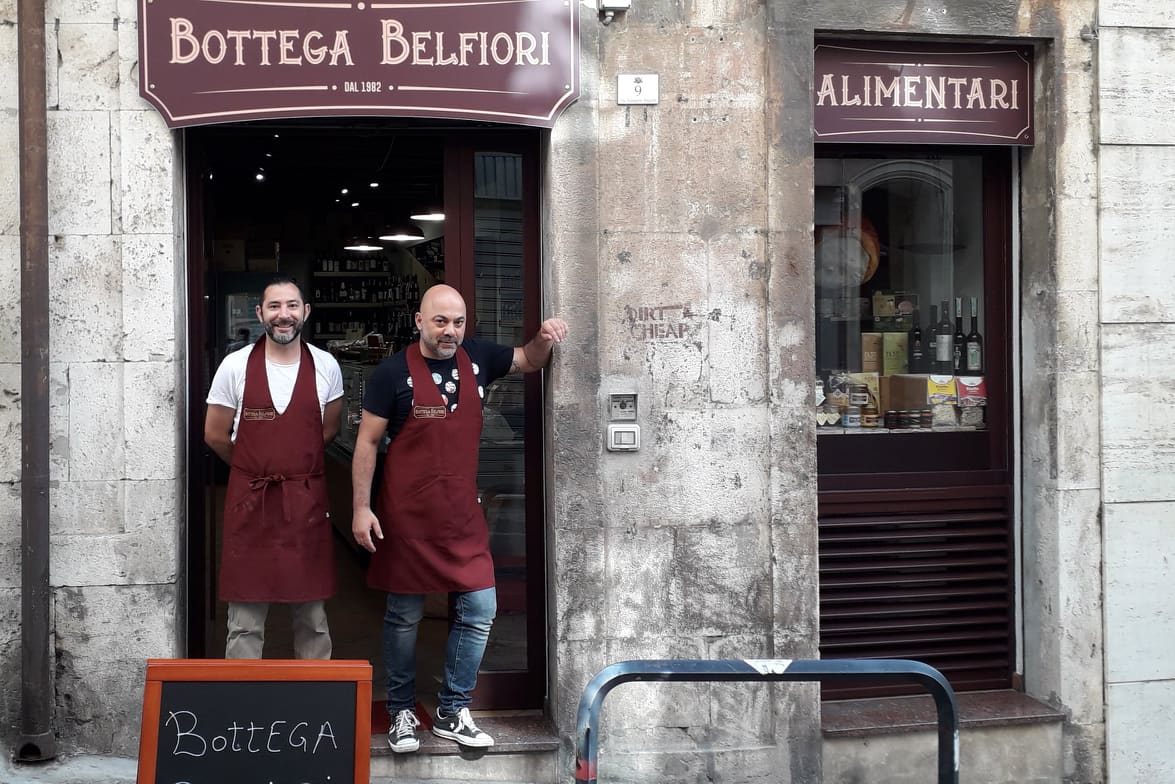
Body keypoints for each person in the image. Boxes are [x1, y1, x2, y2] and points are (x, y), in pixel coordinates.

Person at [351, 284, 567, 753]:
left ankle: (452, 709)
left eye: (458, 322)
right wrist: (361, 508)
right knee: (404, 617)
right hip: (405, 518)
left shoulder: (479, 359)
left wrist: (545, 337)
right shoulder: (391, 373)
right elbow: (367, 442)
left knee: (481, 611)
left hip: (462, 518)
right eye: (440, 321)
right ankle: (402, 712)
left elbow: (529, 360)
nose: (450, 331)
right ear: (419, 321)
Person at [204, 275, 345, 660]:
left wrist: (292, 468)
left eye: (292, 306)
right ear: (260, 313)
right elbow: (215, 434)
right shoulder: (235, 366)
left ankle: (314, 709)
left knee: (313, 619)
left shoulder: (327, 366)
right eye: (275, 306)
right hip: (251, 505)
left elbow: (328, 431)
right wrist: (254, 468)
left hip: (306, 507)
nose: (284, 315)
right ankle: (243, 709)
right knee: (245, 621)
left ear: (306, 312)